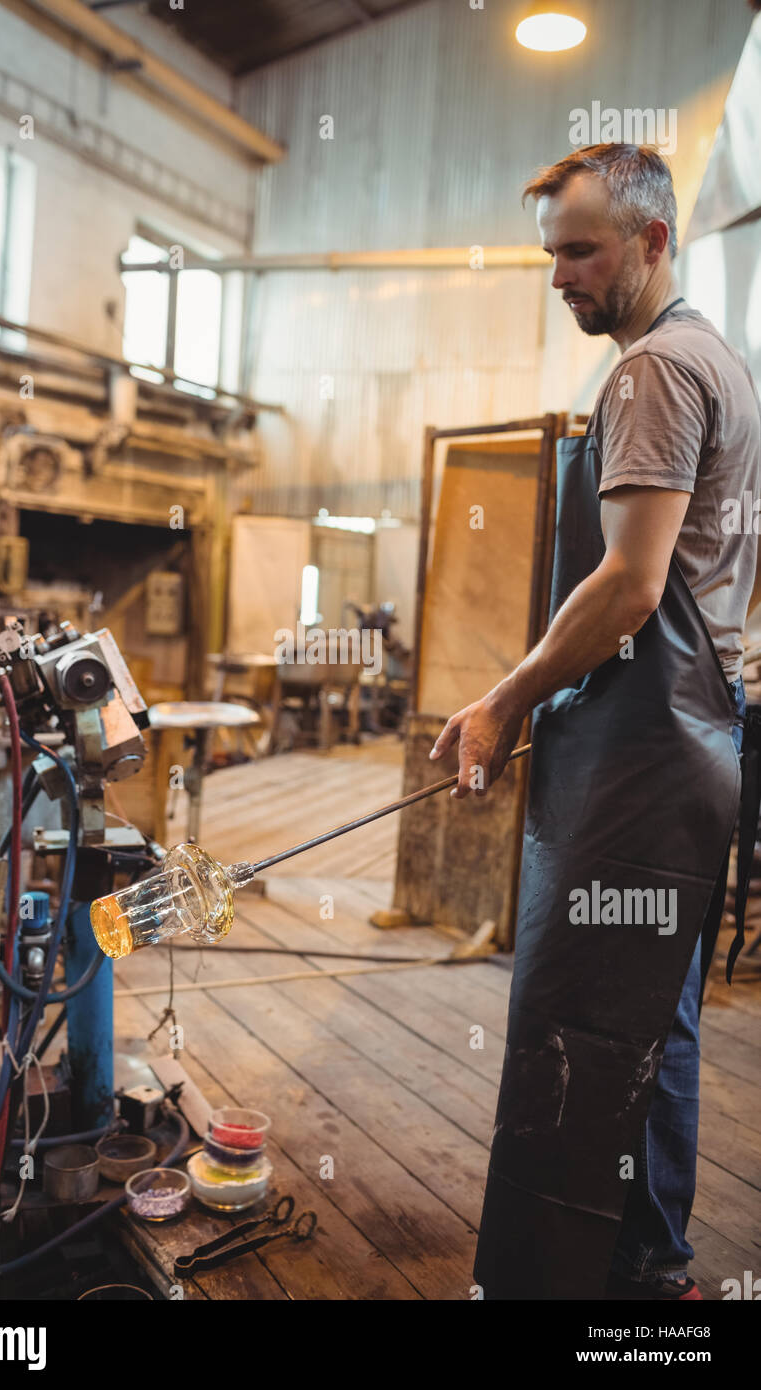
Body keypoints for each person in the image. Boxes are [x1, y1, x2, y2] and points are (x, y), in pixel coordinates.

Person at [429, 144, 761, 1301]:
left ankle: (584, 1274)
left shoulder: (652, 375)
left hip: (639, 754)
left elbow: (628, 585)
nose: (560, 274)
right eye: (549, 253)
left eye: (580, 248)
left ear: (653, 240)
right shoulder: (716, 357)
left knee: (584, 1016)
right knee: (648, 1015)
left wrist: (503, 697)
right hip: (687, 741)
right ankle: (651, 1264)